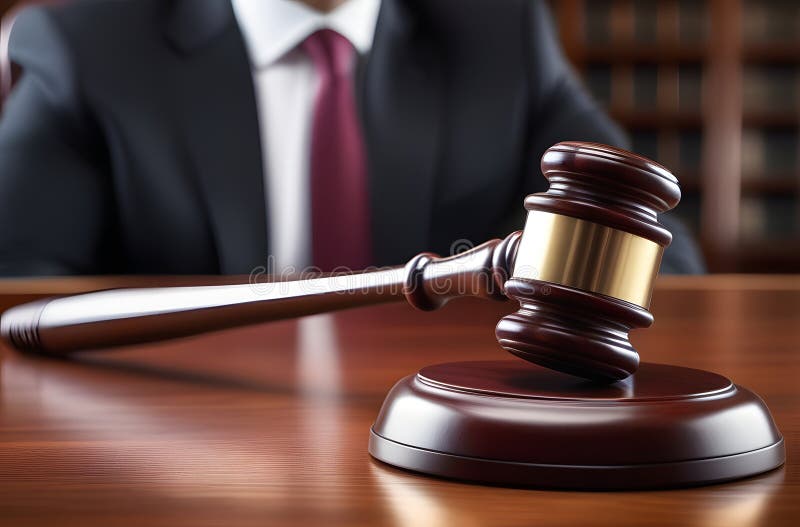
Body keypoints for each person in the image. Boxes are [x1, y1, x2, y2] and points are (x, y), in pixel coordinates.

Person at [0, 0, 706, 276]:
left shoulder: (500, 33)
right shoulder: (87, 47)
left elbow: (657, 260)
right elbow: (20, 292)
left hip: (436, 458)